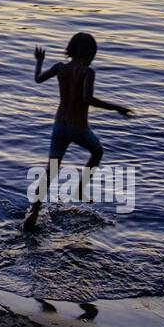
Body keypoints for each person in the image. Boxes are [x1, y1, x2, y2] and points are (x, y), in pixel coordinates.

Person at [23, 31, 133, 232]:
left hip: (59, 126)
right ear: (90, 52)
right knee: (97, 151)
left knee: (51, 170)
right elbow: (87, 99)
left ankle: (34, 213)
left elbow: (38, 79)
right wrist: (117, 107)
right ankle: (81, 188)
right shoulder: (87, 72)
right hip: (78, 127)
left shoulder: (60, 68)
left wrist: (39, 61)